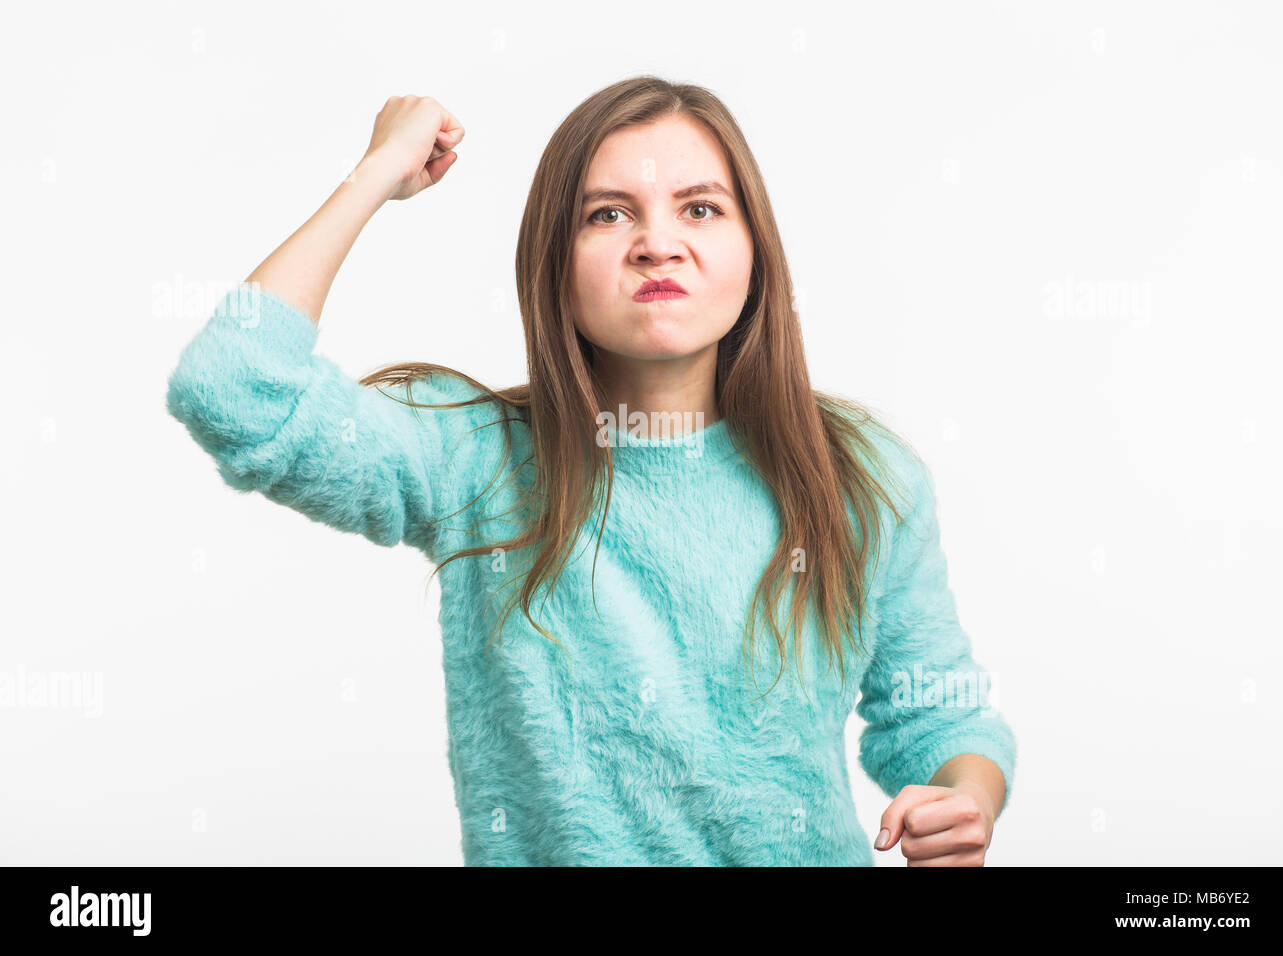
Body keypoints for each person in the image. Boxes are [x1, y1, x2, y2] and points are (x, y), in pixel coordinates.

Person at [165, 75, 1016, 866]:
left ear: (756, 248)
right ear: (554, 263)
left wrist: (964, 800)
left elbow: (940, 712)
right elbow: (233, 388)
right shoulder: (474, 458)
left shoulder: (862, 476)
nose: (657, 245)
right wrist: (376, 172)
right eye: (608, 215)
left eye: (701, 209)